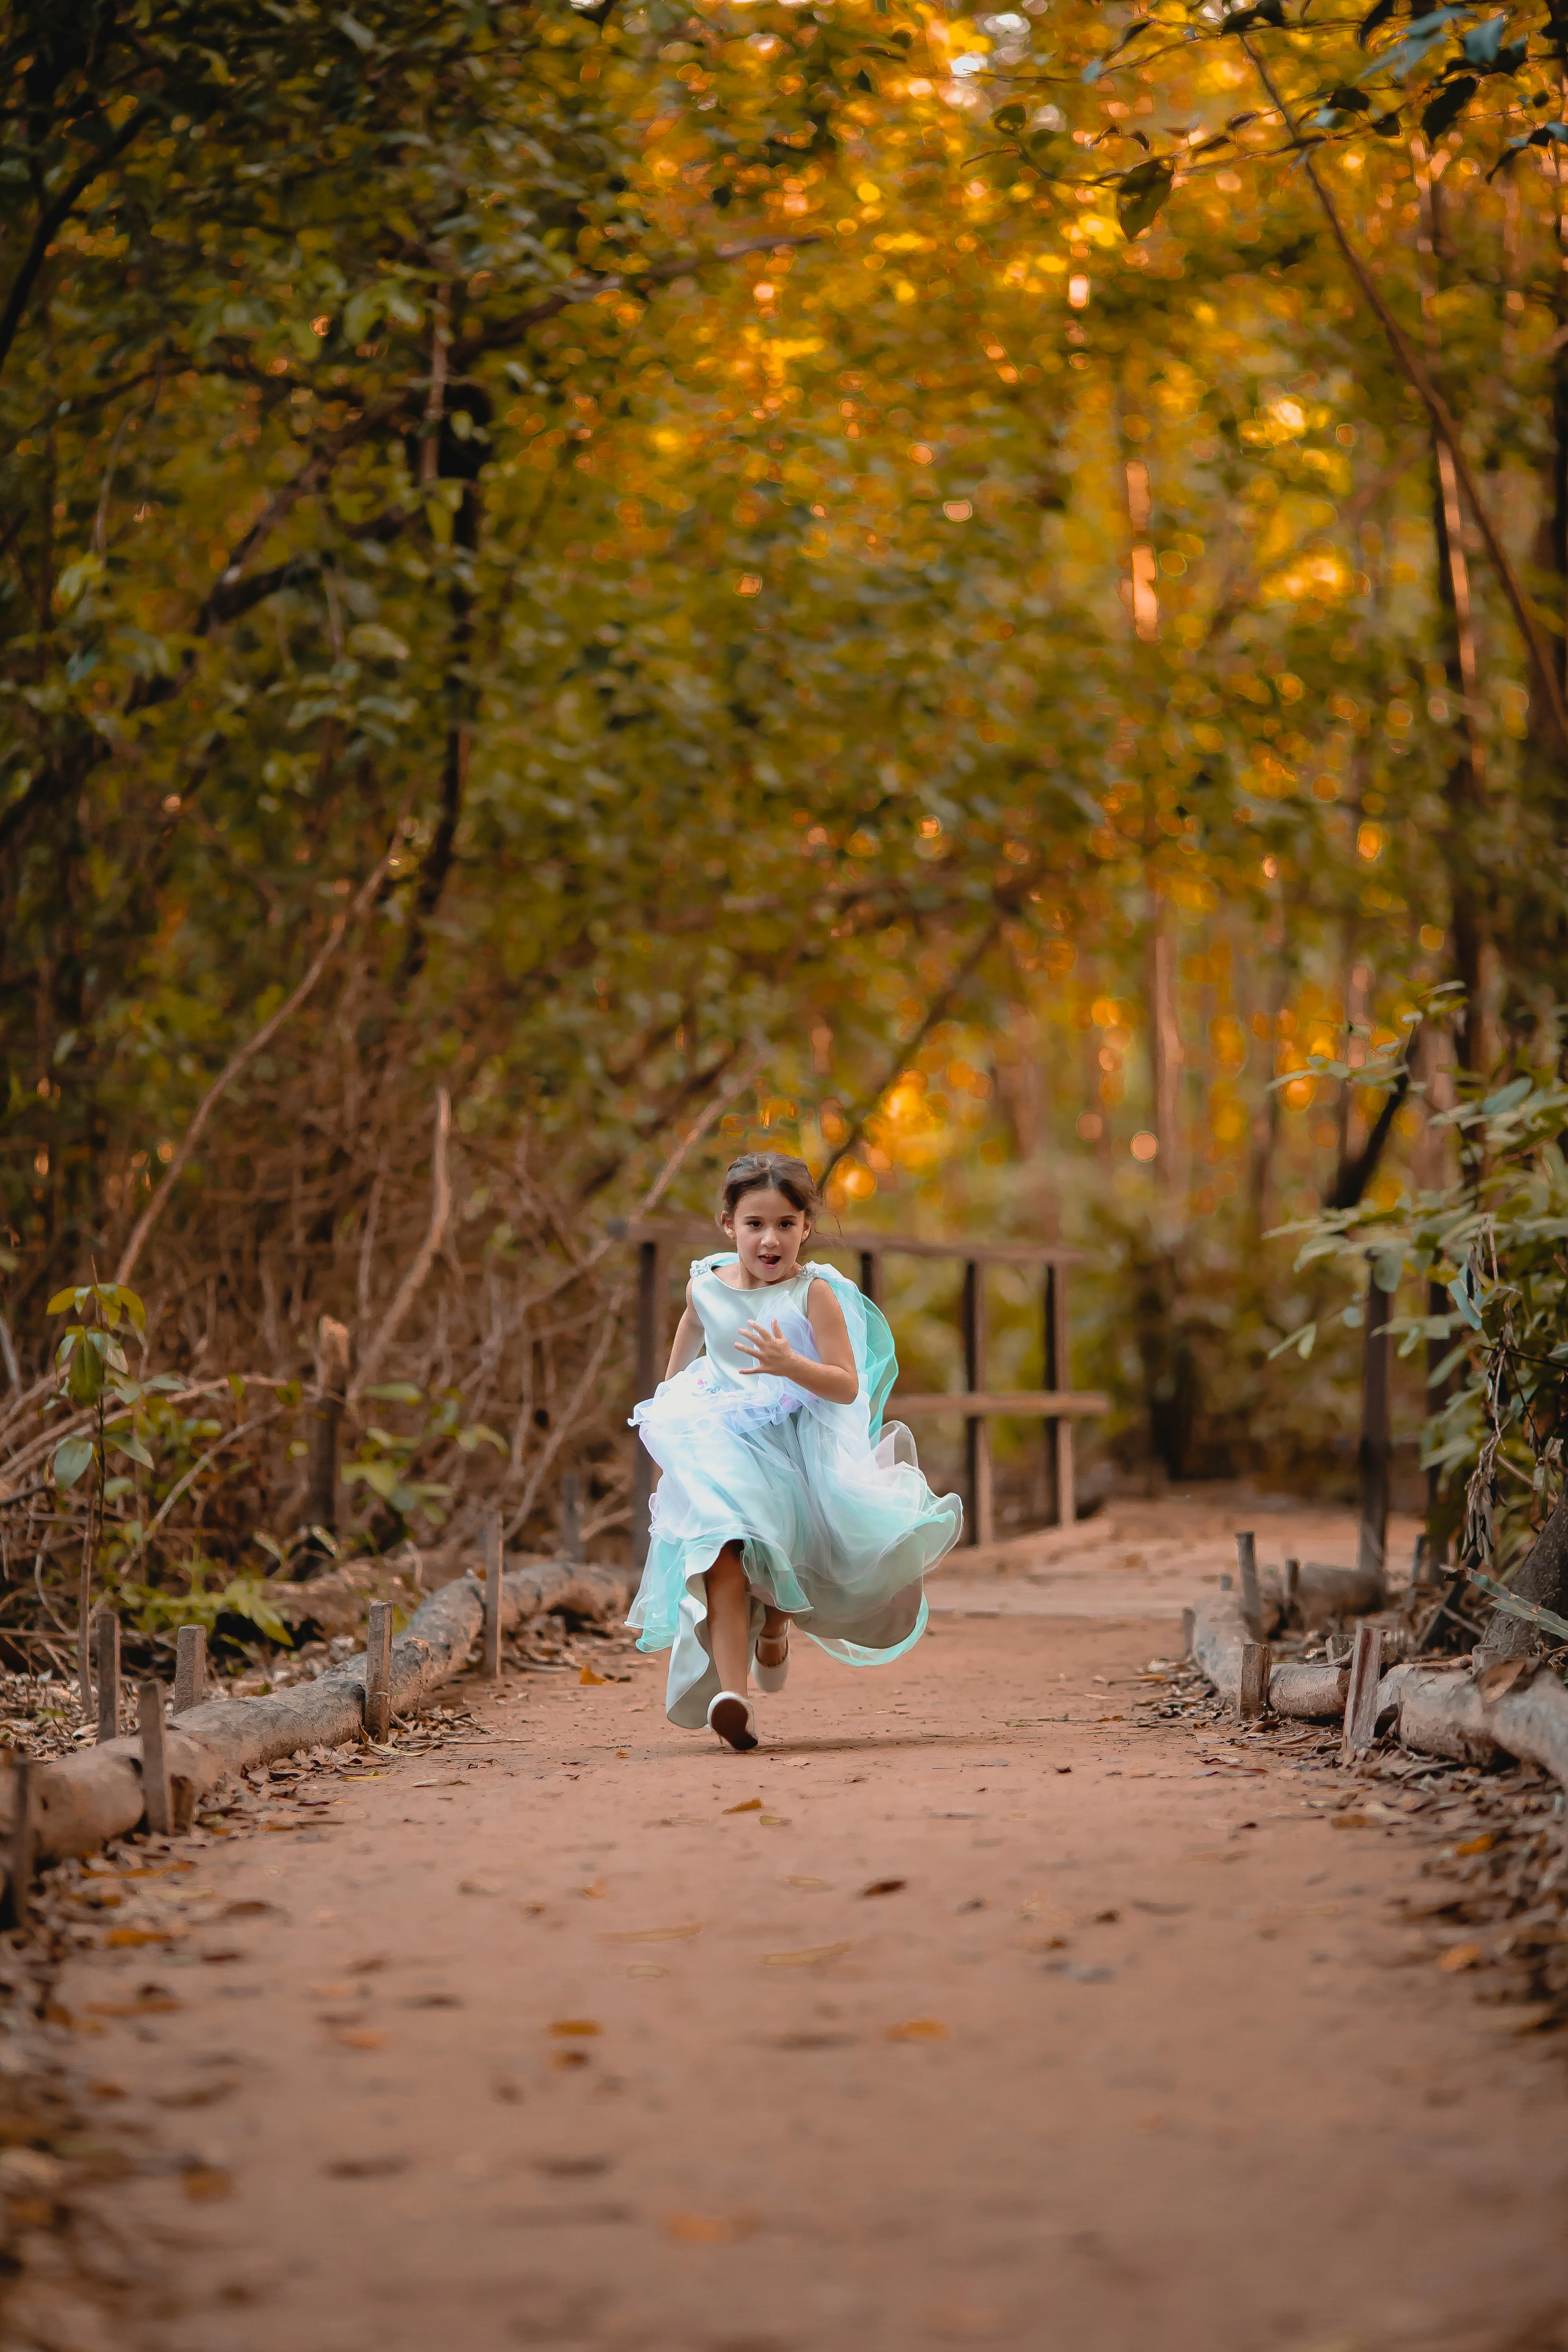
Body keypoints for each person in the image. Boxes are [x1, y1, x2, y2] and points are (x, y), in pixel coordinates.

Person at [626, 1151, 963, 1750]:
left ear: (807, 1227)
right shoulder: (705, 1285)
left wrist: (790, 1365)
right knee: (722, 1551)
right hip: (723, 1443)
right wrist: (670, 1417)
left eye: (786, 1224)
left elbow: (845, 1382)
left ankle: (776, 1628)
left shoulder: (815, 1295)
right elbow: (690, 1330)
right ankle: (736, 1699)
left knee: (789, 1556)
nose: (771, 1239)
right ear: (728, 1224)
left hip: (797, 1447)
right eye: (755, 1224)